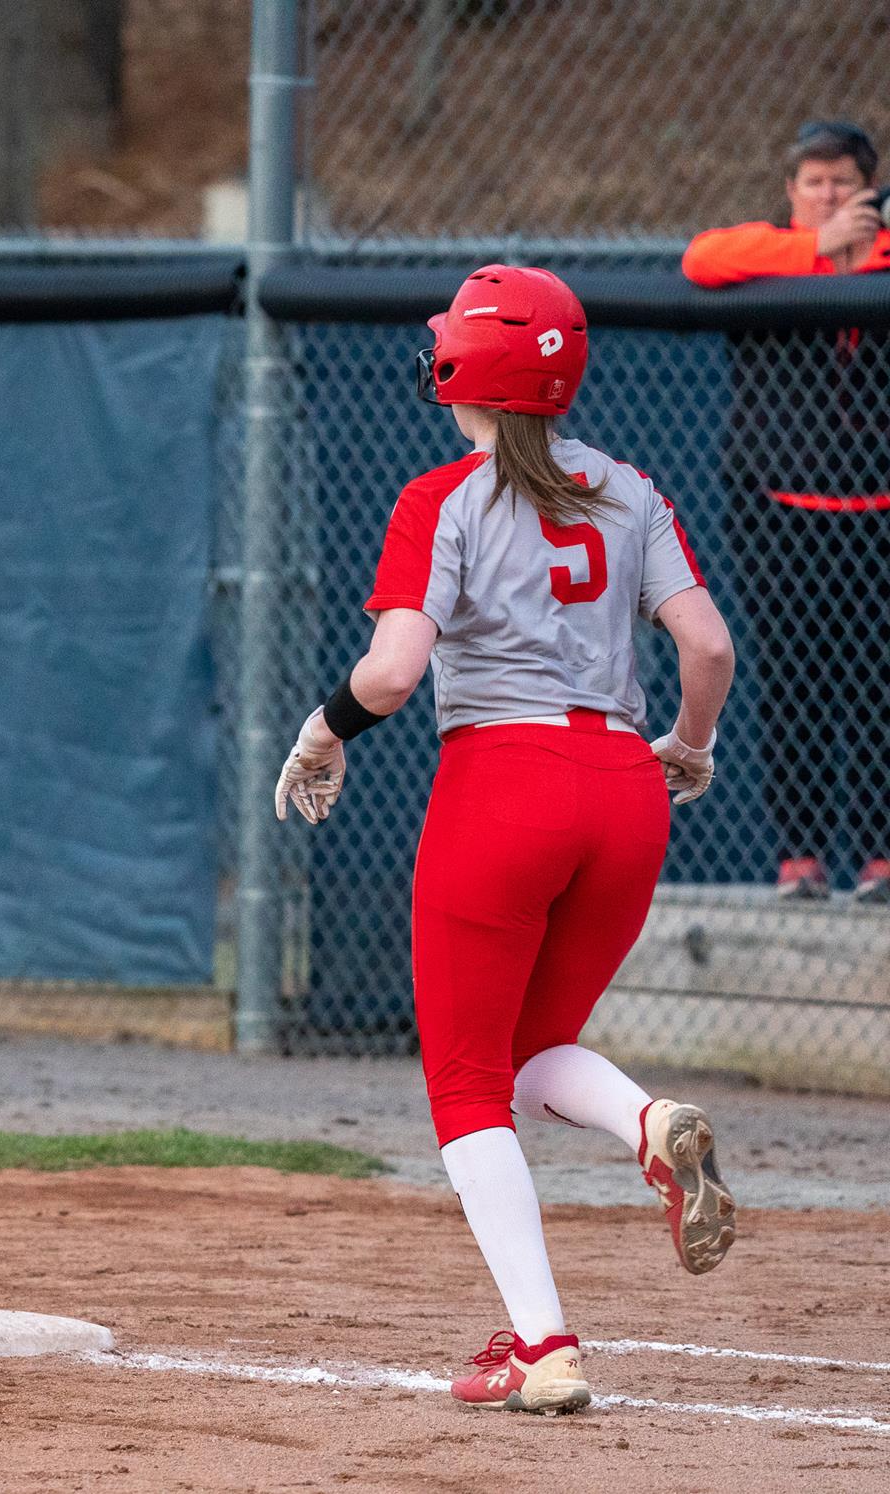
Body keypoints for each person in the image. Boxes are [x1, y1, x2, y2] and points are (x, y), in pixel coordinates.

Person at [273, 266, 740, 1415]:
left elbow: (390, 671)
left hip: (505, 780)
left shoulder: (441, 496)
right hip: (624, 787)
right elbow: (708, 649)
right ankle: (646, 1119)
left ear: (456, 368)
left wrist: (322, 732)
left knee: (466, 1080)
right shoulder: (625, 487)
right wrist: (686, 745)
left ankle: (541, 1344)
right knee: (532, 1051)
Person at [684, 120, 890, 901]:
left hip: (877, 508)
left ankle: (878, 860)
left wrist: (857, 243)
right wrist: (816, 245)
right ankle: (799, 858)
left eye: (842, 180)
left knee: (876, 682)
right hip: (778, 507)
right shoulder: (768, 253)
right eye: (813, 182)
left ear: (866, 186)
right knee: (797, 678)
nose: (828, 194)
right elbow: (699, 259)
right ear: (792, 192)